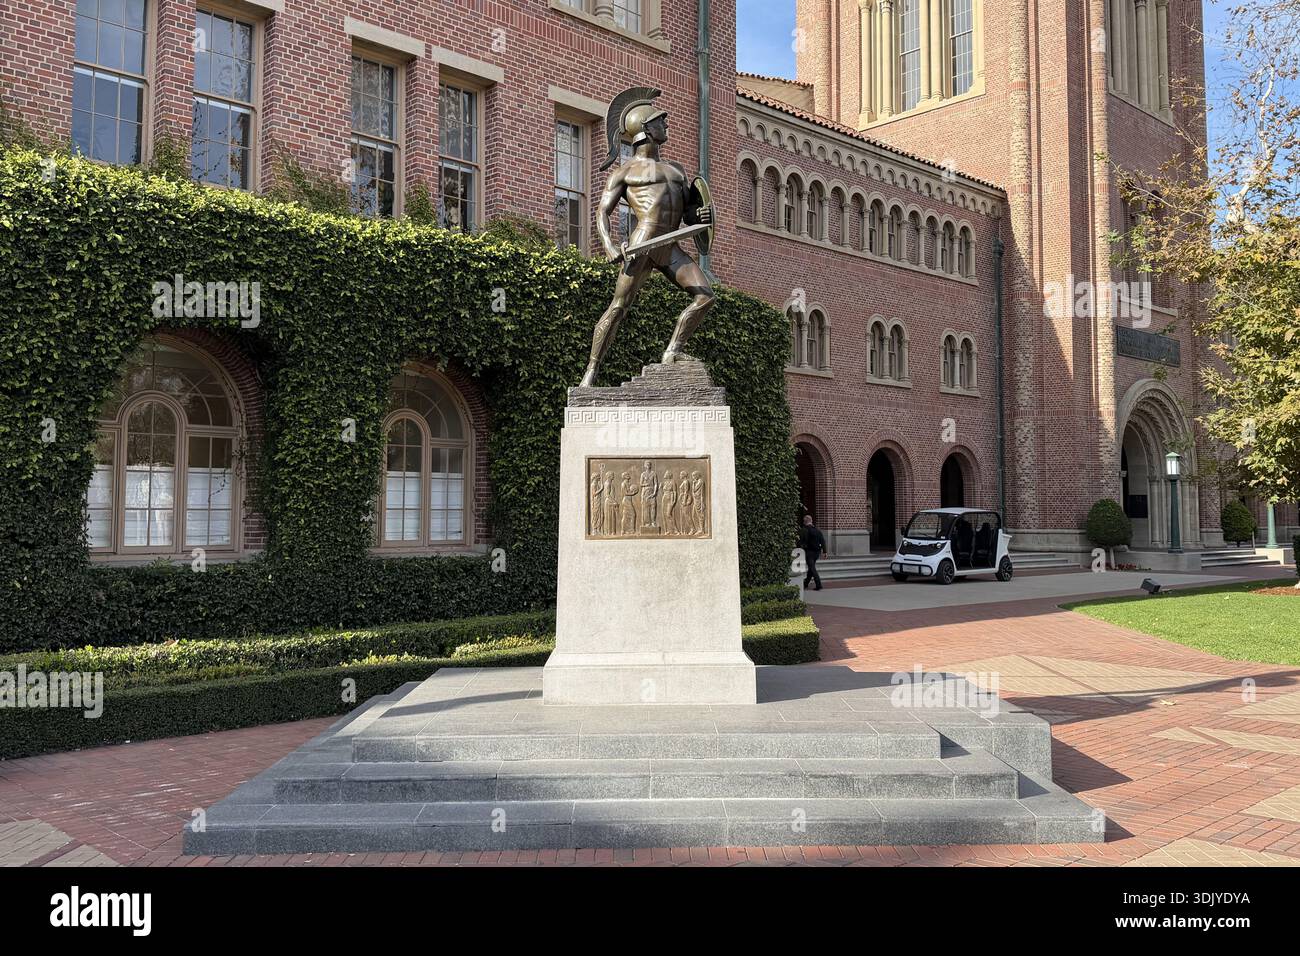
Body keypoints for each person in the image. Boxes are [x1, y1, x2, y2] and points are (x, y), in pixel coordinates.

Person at [800, 514, 826, 590]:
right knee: (811, 568)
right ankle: (806, 583)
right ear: (811, 521)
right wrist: (824, 552)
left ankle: (819, 584)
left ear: (805, 522)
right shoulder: (818, 530)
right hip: (817, 553)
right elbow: (823, 541)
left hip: (809, 552)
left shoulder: (804, 530)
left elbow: (801, 541)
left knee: (812, 568)